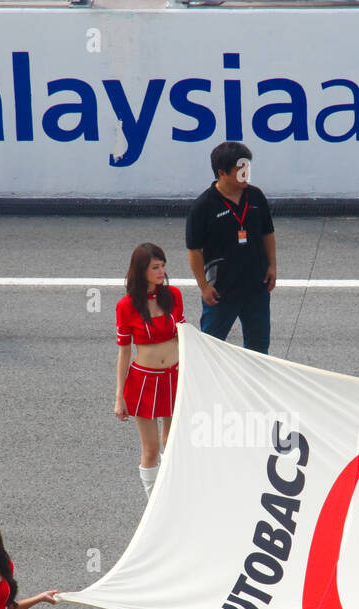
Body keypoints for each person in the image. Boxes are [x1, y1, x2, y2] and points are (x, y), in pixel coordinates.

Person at [185, 141, 276, 353]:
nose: (246, 173)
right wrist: (203, 287)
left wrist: (272, 266)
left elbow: (267, 233)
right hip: (221, 291)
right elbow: (194, 251)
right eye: (240, 169)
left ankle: (254, 386)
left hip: (257, 288)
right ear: (222, 172)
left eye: (247, 168)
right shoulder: (203, 206)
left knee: (258, 348)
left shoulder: (256, 197)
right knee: (211, 347)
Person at [114, 242, 185, 496]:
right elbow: (123, 352)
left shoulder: (174, 295)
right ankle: (152, 500)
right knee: (151, 448)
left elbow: (184, 336)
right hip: (144, 382)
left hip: (175, 377)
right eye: (155, 267)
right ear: (141, 269)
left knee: (173, 442)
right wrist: (119, 396)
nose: (161, 271)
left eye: (163, 266)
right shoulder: (126, 306)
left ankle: (172, 495)